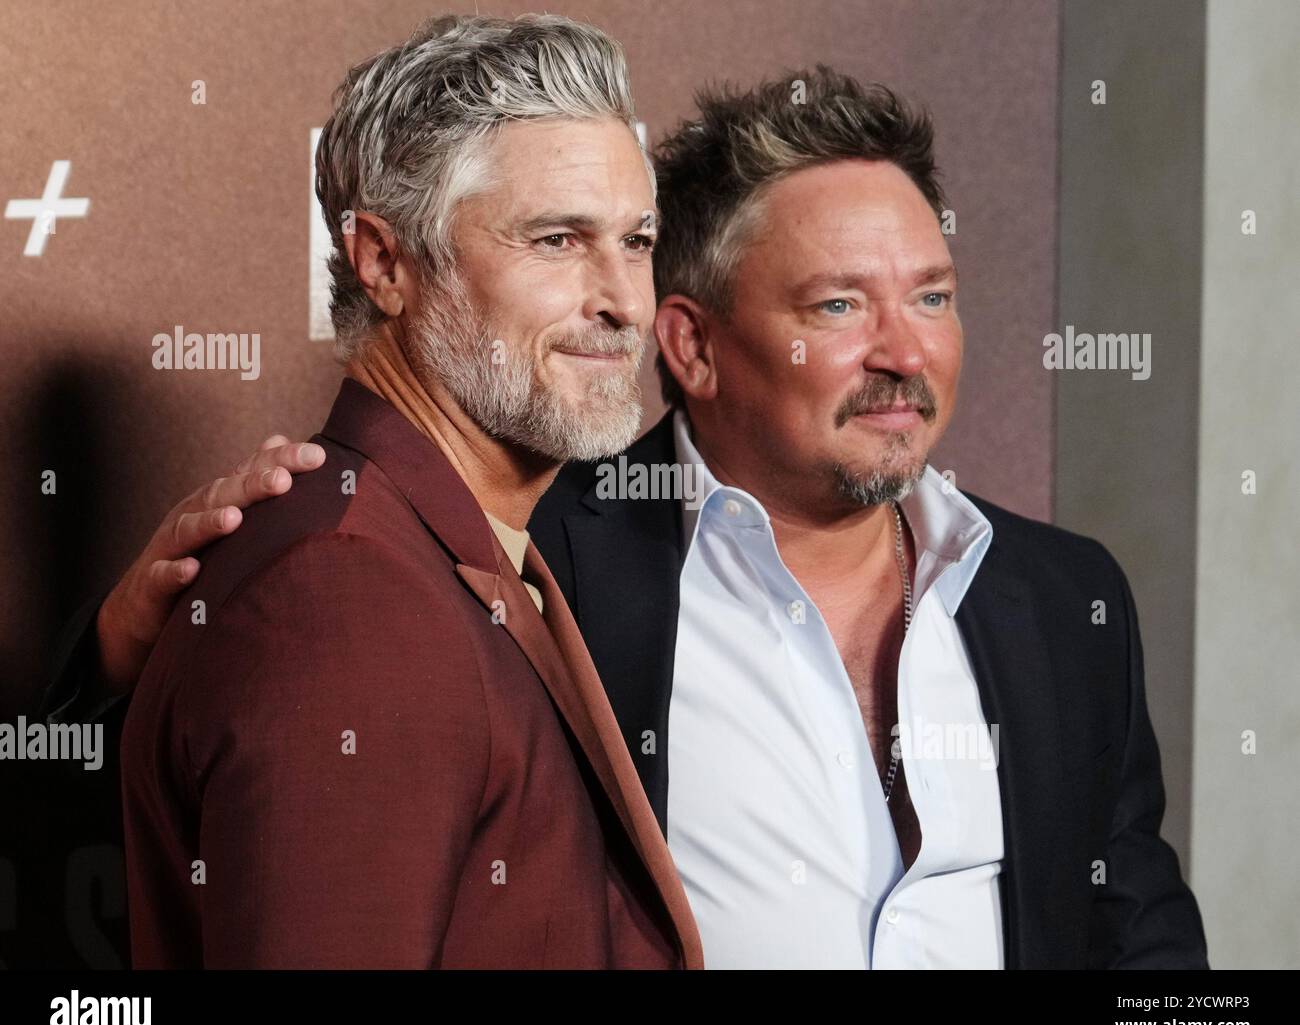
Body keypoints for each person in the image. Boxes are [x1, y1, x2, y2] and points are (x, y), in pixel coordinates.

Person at [42, 65, 1207, 970]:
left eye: (934, 297)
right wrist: (110, 664)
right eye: (839, 304)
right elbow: (219, 850)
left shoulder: (1064, 599)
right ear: (690, 344)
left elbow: (1136, 935)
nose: (905, 352)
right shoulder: (512, 564)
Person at [83, 12, 704, 969]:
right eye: (556, 240)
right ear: (383, 263)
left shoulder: (459, 545)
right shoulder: (344, 593)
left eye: (636, 239)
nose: (624, 300)